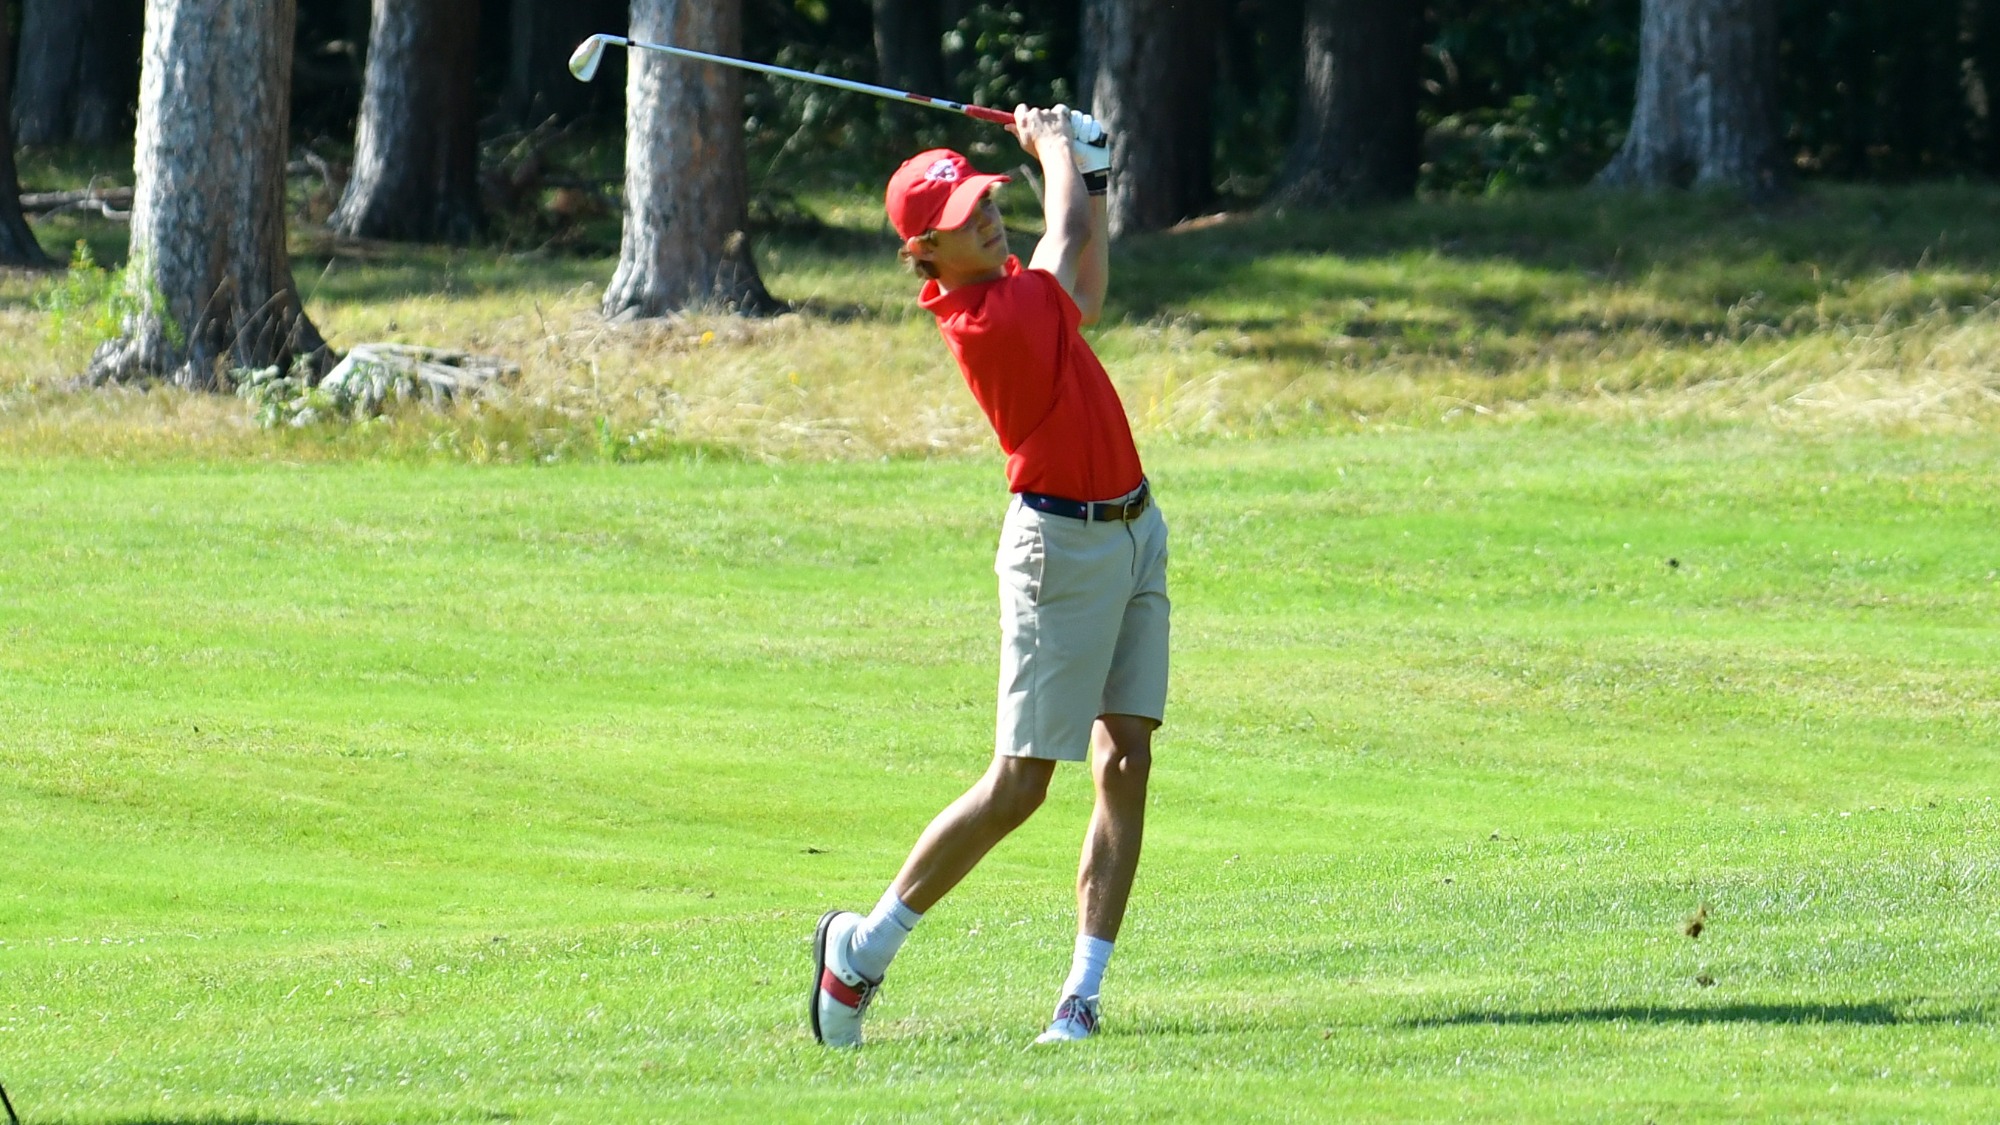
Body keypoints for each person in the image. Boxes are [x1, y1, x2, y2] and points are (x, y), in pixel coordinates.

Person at [810, 105, 1170, 1048]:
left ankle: (1080, 999)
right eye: (967, 214)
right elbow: (1072, 238)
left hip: (1133, 527)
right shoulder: (989, 318)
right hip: (1061, 550)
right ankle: (862, 948)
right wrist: (1055, 149)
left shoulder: (1019, 291)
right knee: (1021, 782)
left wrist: (1086, 167)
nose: (987, 218)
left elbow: (1085, 291)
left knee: (1126, 756)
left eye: (987, 200)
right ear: (926, 250)